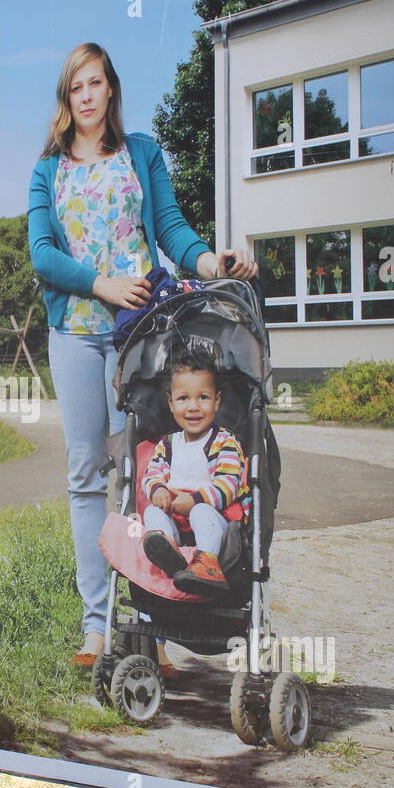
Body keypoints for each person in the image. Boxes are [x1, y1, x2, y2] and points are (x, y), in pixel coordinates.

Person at [27, 41, 257, 668]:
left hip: (138, 335)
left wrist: (214, 262)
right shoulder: (49, 171)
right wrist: (99, 282)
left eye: (97, 83)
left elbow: (173, 231)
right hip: (75, 332)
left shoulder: (142, 153)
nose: (87, 96)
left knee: (138, 476)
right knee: (86, 477)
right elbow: (42, 254)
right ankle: (96, 628)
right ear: (66, 98)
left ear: (111, 90)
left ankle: (148, 623)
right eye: (77, 87)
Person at [140, 358, 247, 596]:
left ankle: (207, 563)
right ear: (171, 402)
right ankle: (167, 550)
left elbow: (228, 485)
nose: (193, 406)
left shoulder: (224, 442)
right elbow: (151, 474)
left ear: (217, 401)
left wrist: (195, 501)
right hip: (176, 519)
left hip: (212, 517)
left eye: (203, 397)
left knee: (201, 512)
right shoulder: (167, 444)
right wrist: (158, 490)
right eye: (183, 398)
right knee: (151, 512)